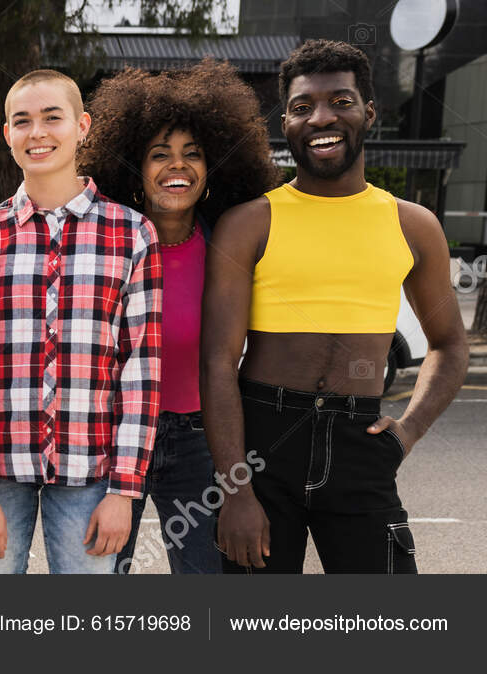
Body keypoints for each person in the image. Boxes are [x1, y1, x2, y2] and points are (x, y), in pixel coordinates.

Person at [203, 40, 467, 574]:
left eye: (340, 101)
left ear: (369, 112)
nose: (321, 118)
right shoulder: (250, 223)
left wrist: (409, 430)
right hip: (261, 448)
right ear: (285, 123)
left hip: (360, 446)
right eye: (302, 107)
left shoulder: (412, 225)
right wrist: (235, 489)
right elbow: (217, 362)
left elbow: (448, 344)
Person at [0, 69, 162, 574]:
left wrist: (124, 491)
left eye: (52, 118)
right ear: (8, 134)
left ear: (82, 126)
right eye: (22, 121)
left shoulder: (132, 233)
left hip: (92, 468)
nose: (37, 133)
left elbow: (141, 369)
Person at [78, 61, 278, 574]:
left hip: (199, 439)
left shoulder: (229, 248)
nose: (178, 165)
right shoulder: (107, 246)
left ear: (213, 167)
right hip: (115, 436)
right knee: (99, 576)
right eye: (159, 154)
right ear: (133, 167)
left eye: (193, 153)